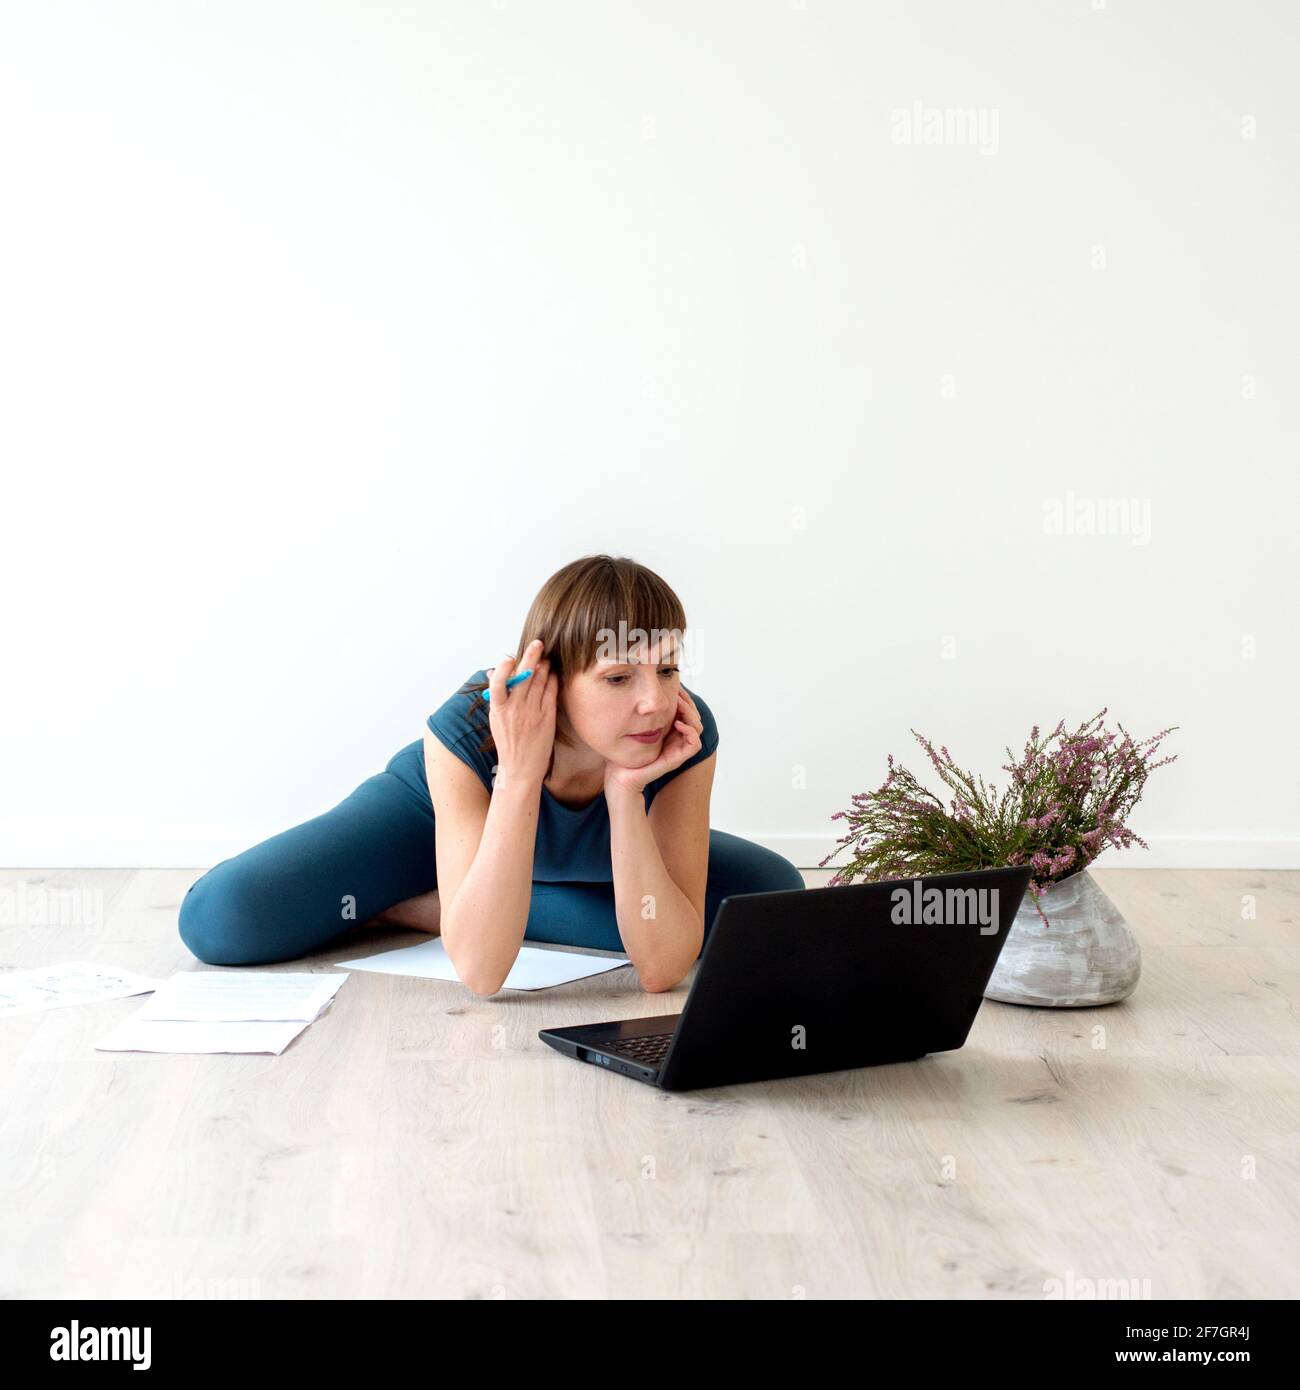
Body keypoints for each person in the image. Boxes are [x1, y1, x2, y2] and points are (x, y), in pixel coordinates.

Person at [178, 554, 805, 994]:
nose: (655, 702)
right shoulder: (472, 723)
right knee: (222, 917)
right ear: (551, 679)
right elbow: (481, 975)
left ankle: (431, 907)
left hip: (594, 845)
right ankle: (457, 893)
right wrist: (518, 776)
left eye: (667, 670)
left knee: (771, 900)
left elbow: (664, 967)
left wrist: (624, 794)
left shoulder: (680, 734)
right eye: (619, 678)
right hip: (427, 822)